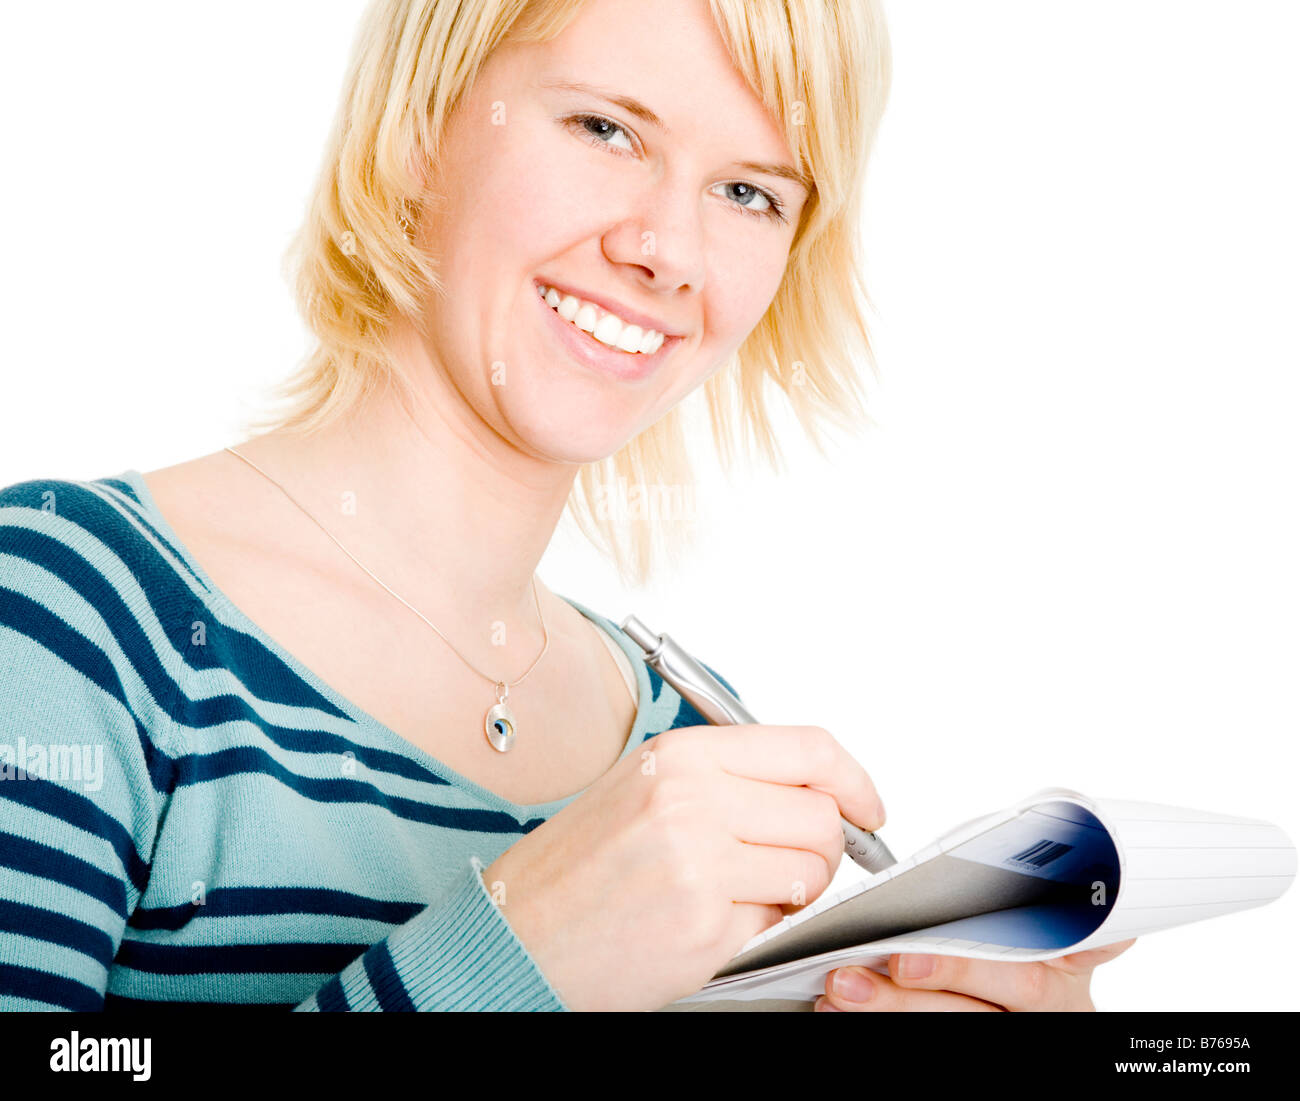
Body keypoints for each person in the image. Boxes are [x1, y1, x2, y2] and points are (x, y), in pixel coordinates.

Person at [0, 0, 1132, 1012]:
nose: (668, 252)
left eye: (747, 193)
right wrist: (515, 953)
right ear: (418, 125)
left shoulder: (694, 739)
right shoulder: (61, 615)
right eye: (606, 130)